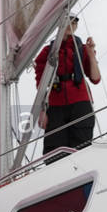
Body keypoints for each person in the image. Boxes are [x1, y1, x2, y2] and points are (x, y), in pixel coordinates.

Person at [34, 14, 101, 154]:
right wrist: (42, 111)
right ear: (58, 25)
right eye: (67, 22)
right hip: (55, 105)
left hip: (80, 103)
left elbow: (95, 79)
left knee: (82, 148)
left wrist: (91, 55)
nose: (71, 25)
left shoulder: (82, 49)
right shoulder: (47, 52)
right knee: (53, 152)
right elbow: (41, 85)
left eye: (74, 23)